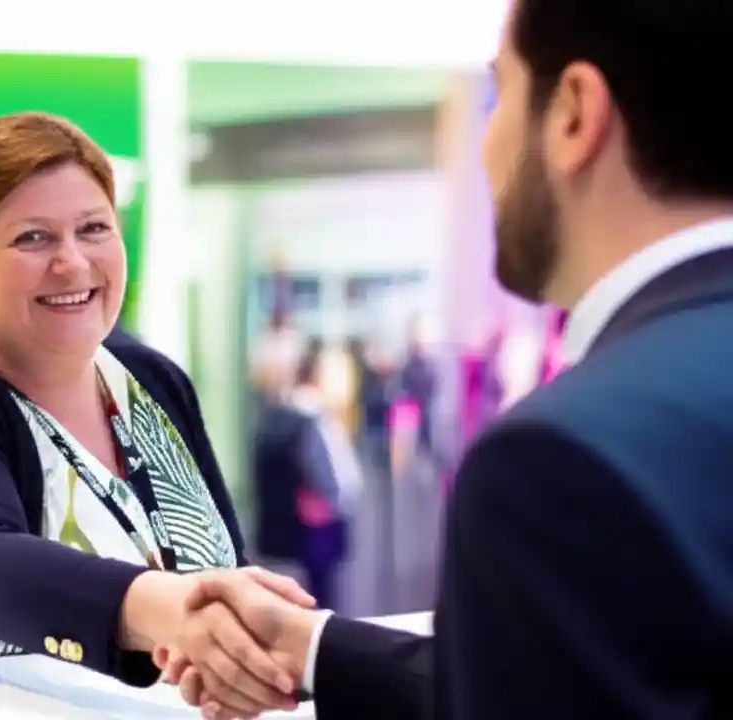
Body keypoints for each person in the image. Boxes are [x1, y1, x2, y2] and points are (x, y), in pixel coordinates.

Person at [159, 0, 733, 717]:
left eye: (500, 94)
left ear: (574, 115)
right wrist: (313, 648)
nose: (486, 147)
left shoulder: (559, 461)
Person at [0, 112, 313, 716]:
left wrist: (239, 651)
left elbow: (222, 567)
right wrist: (165, 610)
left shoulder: (152, 379)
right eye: (33, 238)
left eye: (93, 228)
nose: (72, 263)